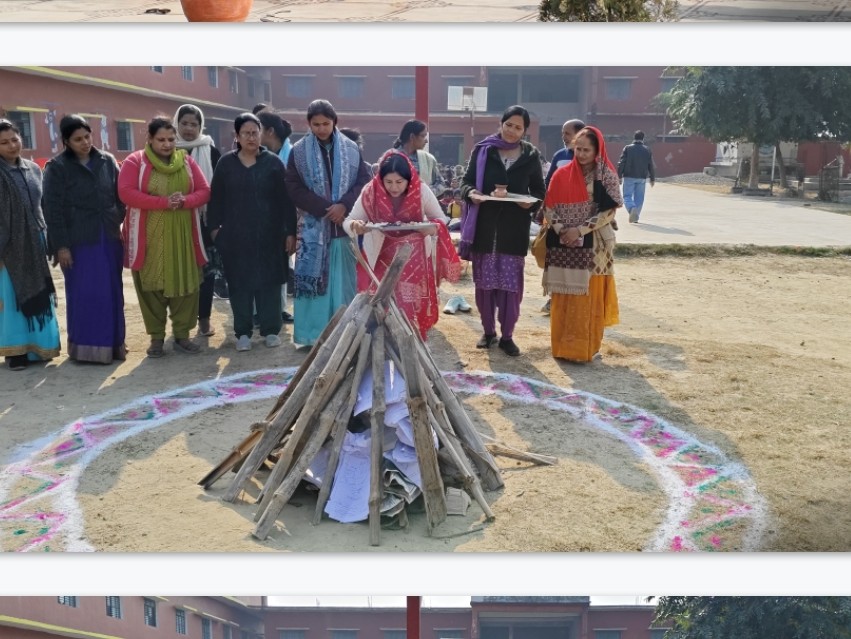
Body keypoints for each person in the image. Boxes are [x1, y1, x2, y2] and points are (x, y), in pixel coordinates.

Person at [118, 116, 210, 358]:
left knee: (186, 285)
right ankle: (156, 337)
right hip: (149, 236)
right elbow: (126, 193)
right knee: (151, 286)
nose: (167, 145)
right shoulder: (135, 162)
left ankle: (182, 336)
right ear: (149, 139)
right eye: (161, 140)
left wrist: (186, 201)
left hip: (183, 235)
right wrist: (162, 203)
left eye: (171, 139)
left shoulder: (186, 161)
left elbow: (204, 191)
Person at [345, 151, 461, 339]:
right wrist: (355, 226)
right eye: (388, 182)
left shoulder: (421, 190)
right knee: (382, 304)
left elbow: (439, 218)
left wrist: (430, 229)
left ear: (409, 179)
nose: (393, 188)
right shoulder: (371, 191)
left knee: (410, 307)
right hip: (381, 254)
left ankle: (410, 343)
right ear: (380, 179)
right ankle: (383, 344)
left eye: (399, 182)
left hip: (414, 257)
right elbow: (349, 220)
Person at [459, 105, 546, 357]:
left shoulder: (531, 155)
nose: (511, 131)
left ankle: (507, 336)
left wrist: (527, 202)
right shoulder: (483, 150)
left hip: (513, 231)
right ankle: (488, 332)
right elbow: (466, 182)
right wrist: (471, 193)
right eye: (508, 124)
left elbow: (539, 191)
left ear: (525, 131)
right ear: (501, 123)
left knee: (510, 287)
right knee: (484, 285)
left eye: (518, 127)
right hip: (484, 230)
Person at [208, 112, 297, 352]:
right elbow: (215, 199)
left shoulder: (274, 163)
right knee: (240, 284)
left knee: (269, 282)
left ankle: (270, 330)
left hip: (271, 235)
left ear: (261, 134)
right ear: (237, 136)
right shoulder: (226, 164)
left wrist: (290, 232)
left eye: (255, 132)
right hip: (236, 237)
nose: (251, 137)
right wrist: (216, 231)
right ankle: (243, 332)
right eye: (246, 133)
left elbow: (286, 201)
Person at [285, 99, 370, 347]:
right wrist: (324, 208)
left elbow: (363, 182)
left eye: (326, 123)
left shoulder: (352, 149)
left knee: (344, 284)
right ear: (308, 124)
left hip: (344, 229)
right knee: (315, 290)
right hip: (314, 230)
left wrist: (343, 205)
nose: (321, 128)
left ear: (335, 122)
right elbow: (292, 186)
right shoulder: (298, 152)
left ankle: (345, 335)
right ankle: (313, 336)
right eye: (316, 124)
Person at [42, 114, 126, 364]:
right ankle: (87, 350)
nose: (85, 142)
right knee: (86, 294)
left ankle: (114, 346)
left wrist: (114, 216)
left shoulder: (107, 161)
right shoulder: (56, 168)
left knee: (112, 291)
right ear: (66, 141)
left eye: (87, 136)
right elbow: (52, 210)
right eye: (77, 139)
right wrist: (62, 246)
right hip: (79, 241)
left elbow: (120, 195)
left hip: (109, 237)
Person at [541, 125, 622, 363]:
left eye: (586, 150)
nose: (581, 154)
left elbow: (610, 210)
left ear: (597, 150)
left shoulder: (606, 174)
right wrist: (562, 229)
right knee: (563, 294)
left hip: (595, 244)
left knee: (590, 295)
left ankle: (584, 349)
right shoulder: (561, 173)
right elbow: (549, 205)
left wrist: (580, 229)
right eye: (578, 149)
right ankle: (562, 348)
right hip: (562, 242)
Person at [0, 119, 61, 371]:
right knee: (12, 297)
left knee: (40, 292)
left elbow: (42, 206)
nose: (12, 146)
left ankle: (38, 348)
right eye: (4, 143)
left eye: (14, 139)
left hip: (35, 240)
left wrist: (51, 240)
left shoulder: (33, 169)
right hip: (7, 245)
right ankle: (16, 353)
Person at [173, 104, 222, 337]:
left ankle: (204, 318)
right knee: (180, 272)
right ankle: (181, 322)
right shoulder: (166, 150)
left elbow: (220, 190)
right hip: (175, 221)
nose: (189, 129)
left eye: (194, 124)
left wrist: (216, 225)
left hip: (205, 223)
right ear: (177, 124)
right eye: (184, 123)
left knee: (206, 272)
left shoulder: (210, 151)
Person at [541, 118, 585, 315]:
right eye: (563, 132)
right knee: (556, 260)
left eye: (567, 133)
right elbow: (549, 184)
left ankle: (577, 302)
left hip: (582, 221)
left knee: (579, 261)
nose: (563, 136)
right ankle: (555, 299)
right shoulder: (559, 156)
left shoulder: (591, 158)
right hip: (558, 219)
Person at [257, 109, 295, 324]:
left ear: (269, 131)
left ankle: (278, 309)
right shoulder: (257, 154)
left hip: (283, 219)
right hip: (261, 219)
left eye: (257, 130)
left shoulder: (291, 156)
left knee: (280, 266)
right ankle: (261, 310)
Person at [393, 120, 445, 196]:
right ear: (412, 137)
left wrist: (425, 194)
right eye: (423, 136)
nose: (426, 141)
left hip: (423, 206)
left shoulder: (427, 159)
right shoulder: (391, 158)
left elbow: (441, 183)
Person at [618, 130, 655, 223]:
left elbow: (622, 162)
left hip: (629, 176)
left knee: (627, 196)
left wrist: (619, 175)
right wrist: (652, 178)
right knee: (639, 197)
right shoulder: (647, 149)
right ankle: (636, 216)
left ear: (634, 137)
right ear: (643, 138)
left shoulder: (627, 148)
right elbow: (651, 165)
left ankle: (631, 208)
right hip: (642, 177)